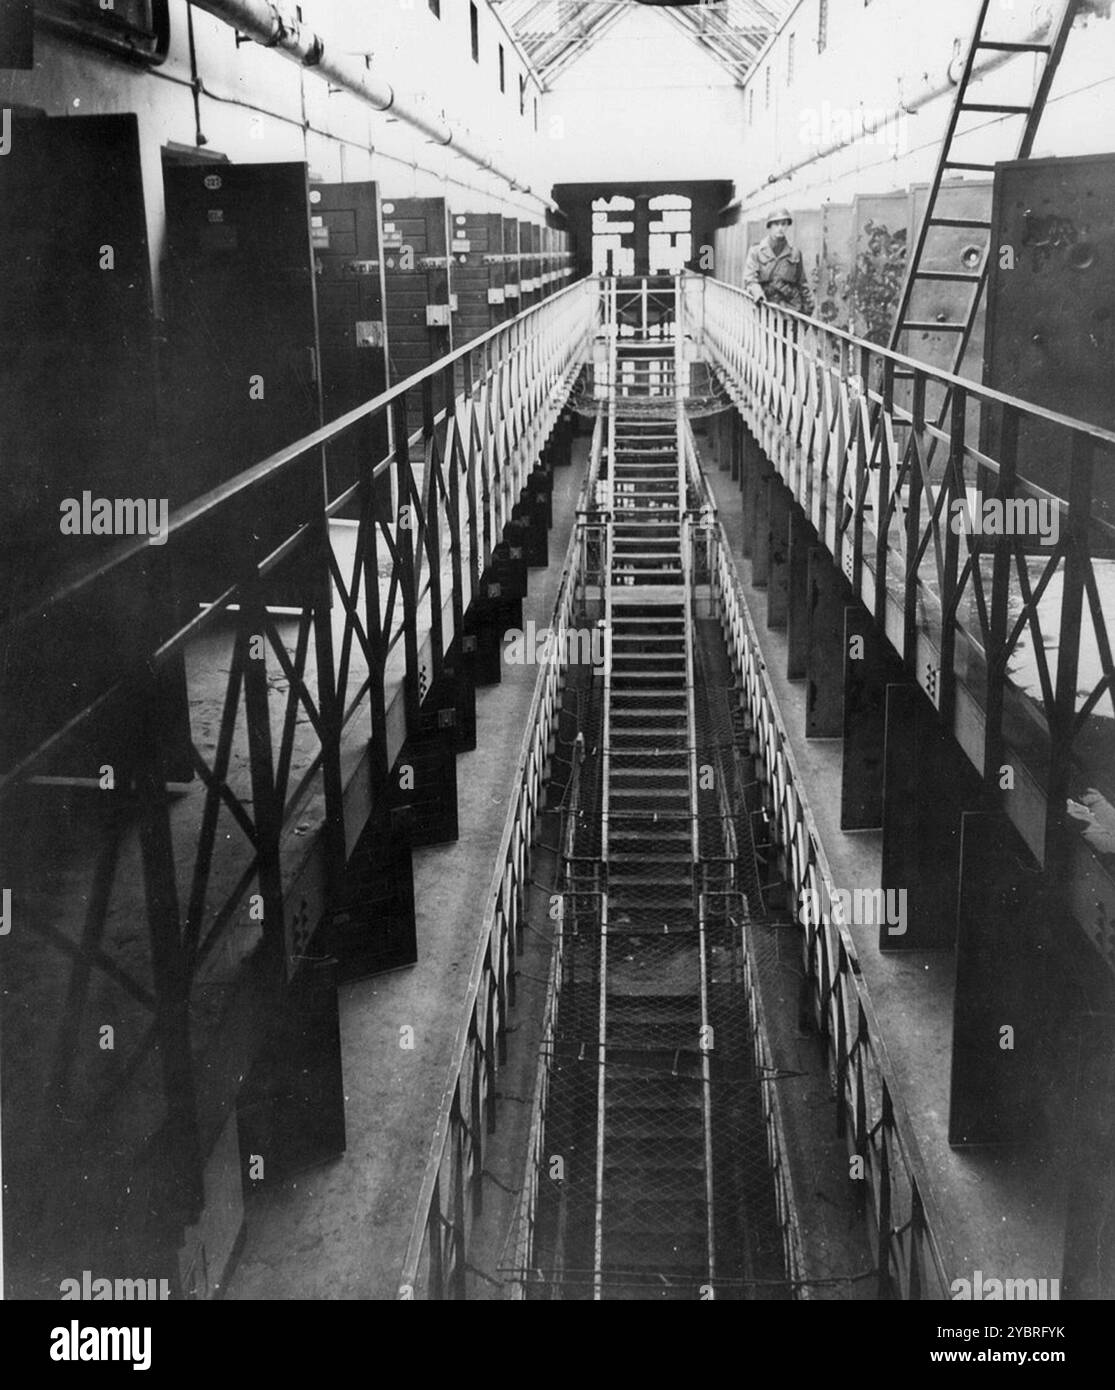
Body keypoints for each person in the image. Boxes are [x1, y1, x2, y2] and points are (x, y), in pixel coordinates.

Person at [743, 208, 815, 315]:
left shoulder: (795, 253)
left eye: (783, 224)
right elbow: (750, 279)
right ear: (770, 226)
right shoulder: (756, 251)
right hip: (765, 308)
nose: (780, 228)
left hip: (790, 310)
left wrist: (808, 309)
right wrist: (758, 294)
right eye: (776, 224)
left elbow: (802, 283)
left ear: (787, 226)